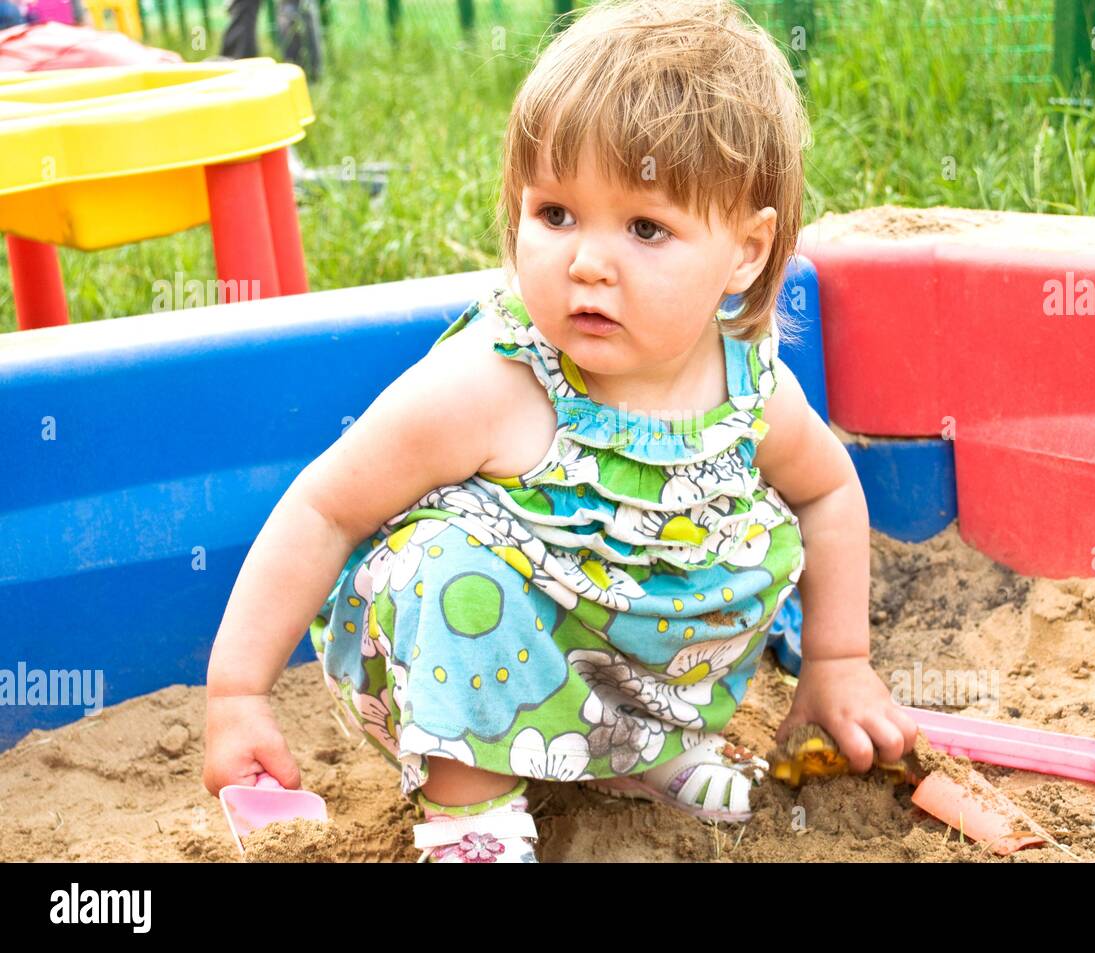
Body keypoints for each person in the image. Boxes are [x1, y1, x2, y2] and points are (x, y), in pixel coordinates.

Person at [202, 0, 917, 864]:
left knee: (751, 535)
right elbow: (325, 509)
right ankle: (473, 815)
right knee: (454, 567)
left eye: (646, 226)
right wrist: (238, 690)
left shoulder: (751, 390)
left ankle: (641, 757)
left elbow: (829, 489)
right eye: (555, 213)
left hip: (630, 668)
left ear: (747, 250)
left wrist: (837, 658)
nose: (587, 260)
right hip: (465, 673)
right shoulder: (492, 383)